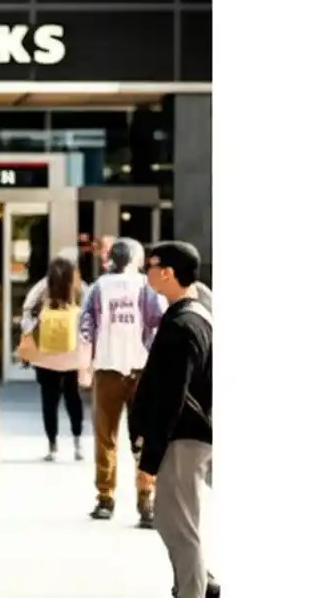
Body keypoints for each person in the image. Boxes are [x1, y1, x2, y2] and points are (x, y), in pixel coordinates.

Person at [131, 242, 214, 598]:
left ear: (168, 272)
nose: (146, 272)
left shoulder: (184, 322)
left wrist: (149, 459)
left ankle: (195, 590)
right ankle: (200, 585)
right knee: (175, 521)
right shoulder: (191, 314)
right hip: (186, 437)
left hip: (184, 439)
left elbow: (171, 395)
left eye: (150, 265)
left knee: (179, 526)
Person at [80, 237, 166, 527]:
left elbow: (85, 329)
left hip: (106, 370)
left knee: (106, 437)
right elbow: (160, 324)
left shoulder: (97, 288)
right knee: (143, 437)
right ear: (135, 259)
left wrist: (84, 369)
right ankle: (146, 500)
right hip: (142, 372)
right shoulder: (147, 287)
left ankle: (105, 499)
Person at [21, 255, 89, 462]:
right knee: (73, 398)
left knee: (49, 400)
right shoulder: (81, 289)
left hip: (45, 355)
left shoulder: (42, 288)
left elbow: (26, 315)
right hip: (72, 356)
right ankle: (78, 444)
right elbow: (90, 320)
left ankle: (53, 447)